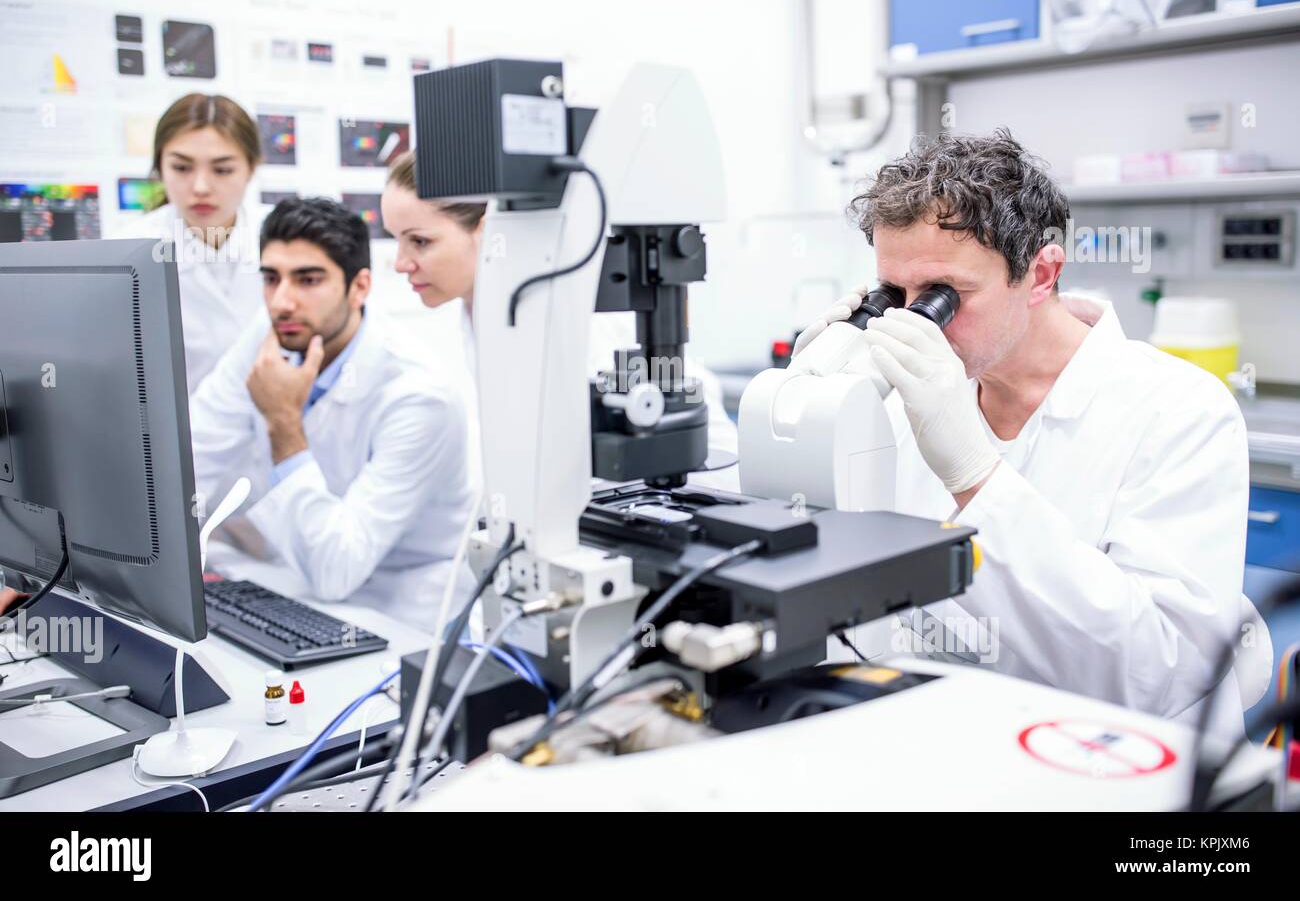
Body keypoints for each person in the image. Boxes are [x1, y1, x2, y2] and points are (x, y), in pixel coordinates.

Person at [795, 129, 1269, 739]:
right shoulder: (896, 404)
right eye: (895, 293)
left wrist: (976, 477)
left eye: (945, 296)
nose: (914, 323)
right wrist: (814, 409)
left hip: (1110, 767)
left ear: (1042, 273)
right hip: (953, 741)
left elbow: (1159, 670)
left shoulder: (1180, 411)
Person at [188, 197, 474, 629]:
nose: (281, 302)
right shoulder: (273, 335)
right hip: (302, 587)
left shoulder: (420, 396)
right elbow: (190, 458)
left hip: (403, 613)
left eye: (308, 279)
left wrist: (283, 422)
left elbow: (336, 569)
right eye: (271, 278)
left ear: (359, 287)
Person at [378, 150, 739, 487]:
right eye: (396, 240)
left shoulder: (581, 318)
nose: (400, 263)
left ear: (487, 230)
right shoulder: (449, 328)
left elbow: (689, 443)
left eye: (420, 242)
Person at [120, 93, 267, 393]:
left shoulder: (287, 238)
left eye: (222, 169)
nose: (200, 187)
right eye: (182, 168)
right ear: (160, 167)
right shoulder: (126, 255)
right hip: (180, 438)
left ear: (251, 168)